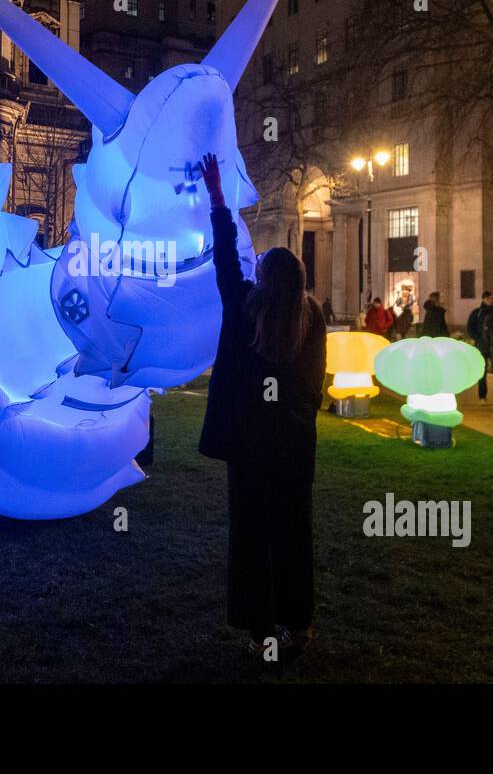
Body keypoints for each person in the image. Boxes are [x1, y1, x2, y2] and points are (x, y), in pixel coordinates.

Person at [197, 153, 327, 657]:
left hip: (251, 448)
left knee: (252, 535)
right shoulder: (312, 319)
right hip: (293, 449)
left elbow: (225, 255)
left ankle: (260, 628)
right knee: (293, 533)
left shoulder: (244, 306)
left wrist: (217, 196)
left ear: (264, 279)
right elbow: (313, 388)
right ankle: (299, 622)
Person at [466, 291, 493, 402]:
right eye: (489, 298)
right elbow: (470, 328)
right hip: (482, 345)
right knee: (482, 371)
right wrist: (478, 339)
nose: (491, 300)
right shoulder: (477, 313)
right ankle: (482, 395)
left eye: (492, 298)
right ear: (483, 299)